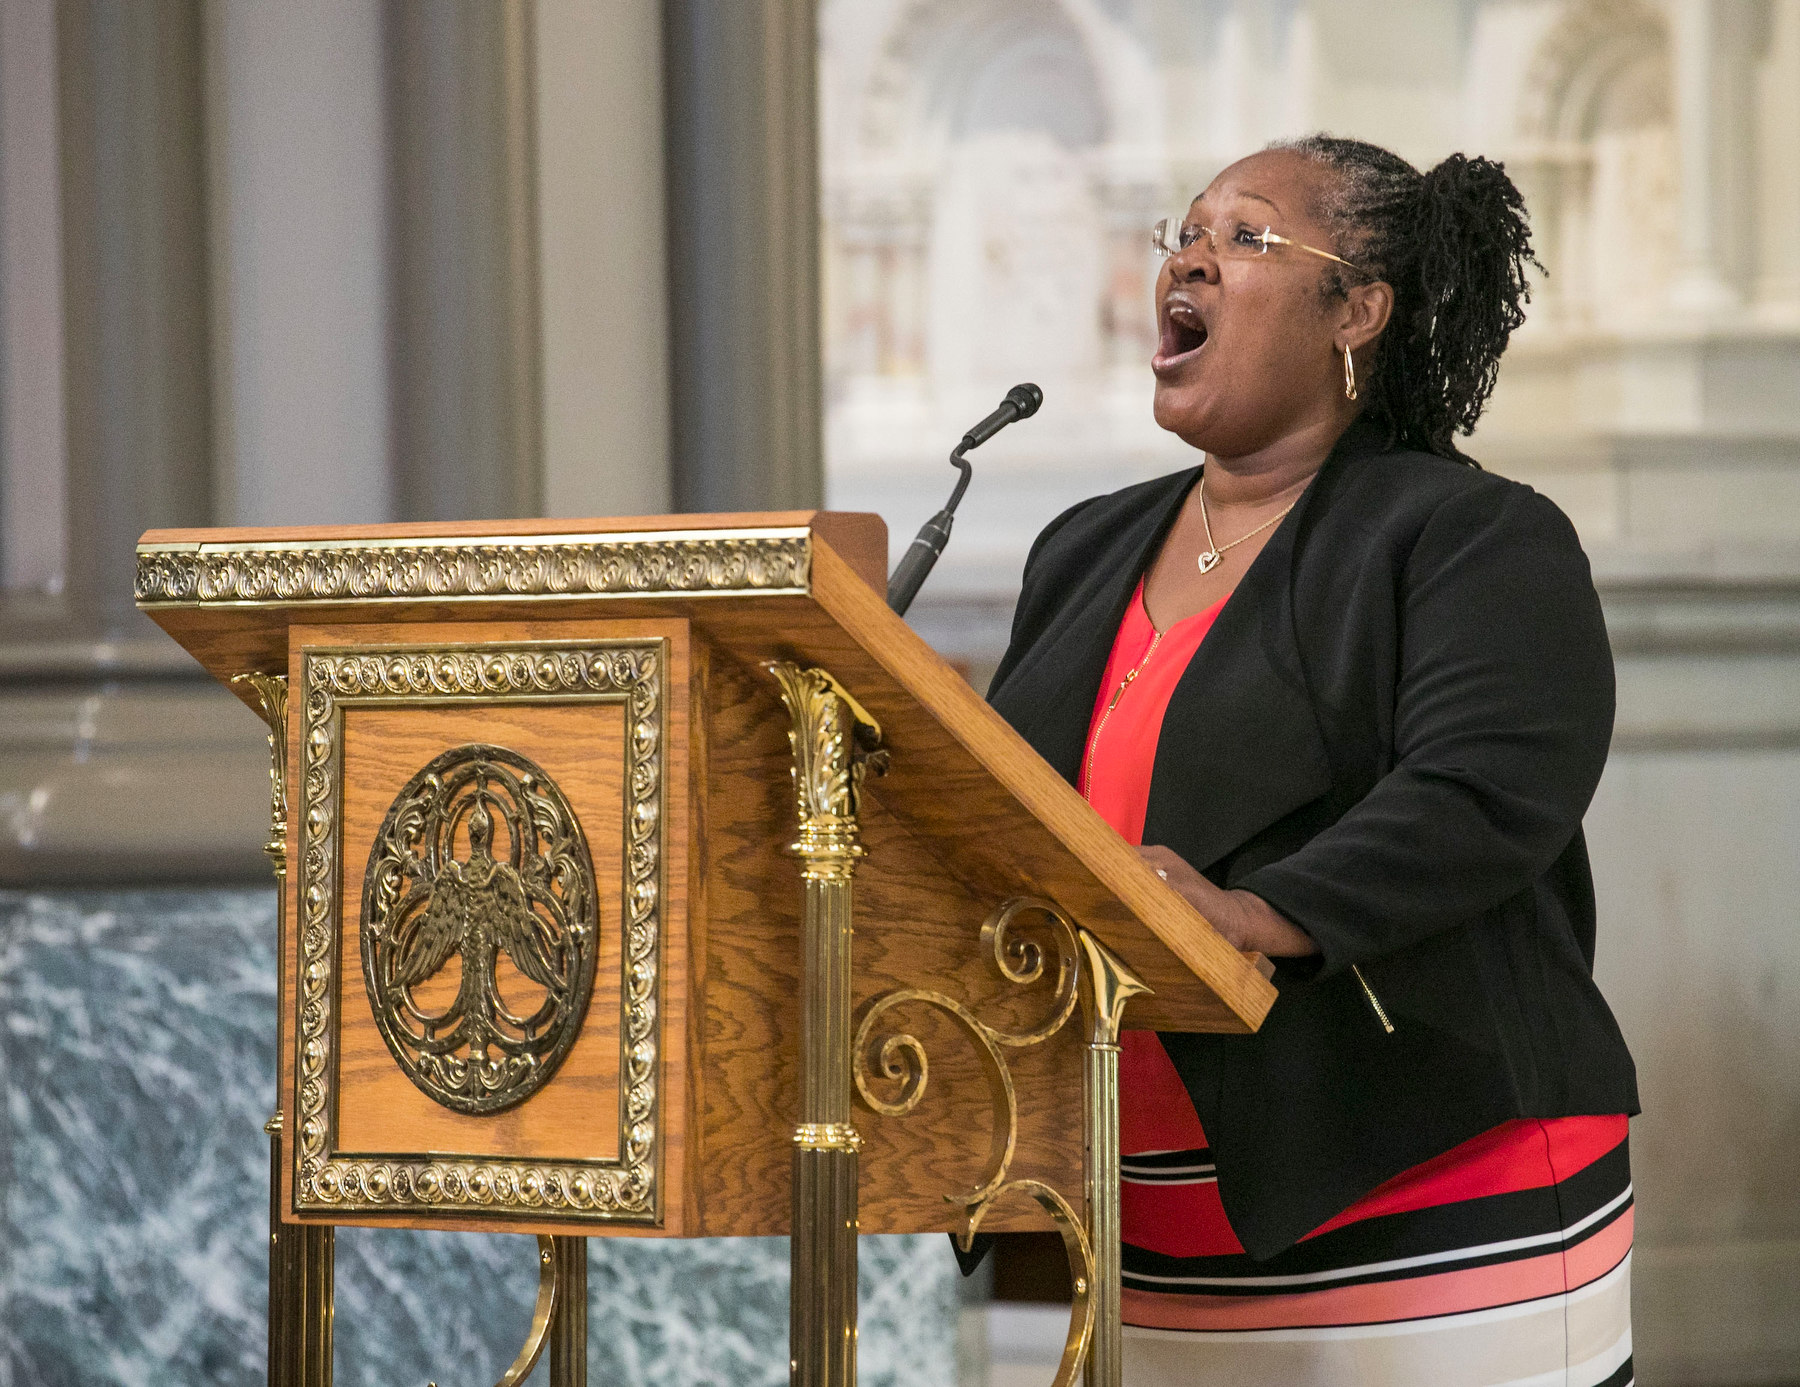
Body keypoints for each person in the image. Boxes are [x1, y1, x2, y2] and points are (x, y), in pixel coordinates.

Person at [986, 135, 1639, 1387]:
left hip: (1429, 1190)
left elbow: (1489, 791)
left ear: (1358, 309)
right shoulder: (1083, 548)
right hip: (1143, 1218)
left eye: (1245, 236)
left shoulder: (1467, 536)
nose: (1190, 255)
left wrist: (1254, 912)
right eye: (1183, 231)